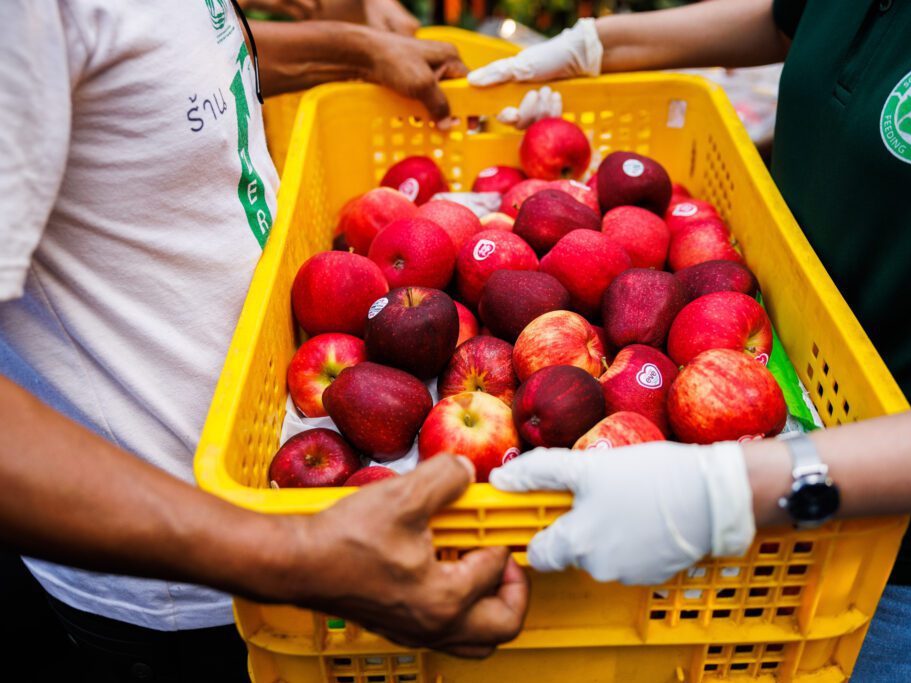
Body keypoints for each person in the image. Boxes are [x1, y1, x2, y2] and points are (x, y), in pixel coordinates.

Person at [469, 0, 911, 679]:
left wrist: (734, 489)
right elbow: (793, 17)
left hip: (902, 527)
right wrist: (594, 44)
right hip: (770, 366)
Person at [0, 2, 524, 680]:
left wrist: (352, 48)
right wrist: (293, 548)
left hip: (283, 488)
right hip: (186, 580)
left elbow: (169, 72)